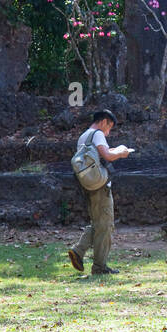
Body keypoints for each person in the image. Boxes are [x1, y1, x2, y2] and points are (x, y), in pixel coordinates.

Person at [68, 109, 133, 275]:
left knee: (98, 223)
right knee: (106, 224)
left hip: (88, 185)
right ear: (104, 121)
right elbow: (107, 155)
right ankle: (99, 267)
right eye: (109, 127)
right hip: (100, 186)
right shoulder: (97, 134)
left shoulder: (84, 136)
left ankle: (78, 252)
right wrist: (121, 152)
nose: (108, 132)